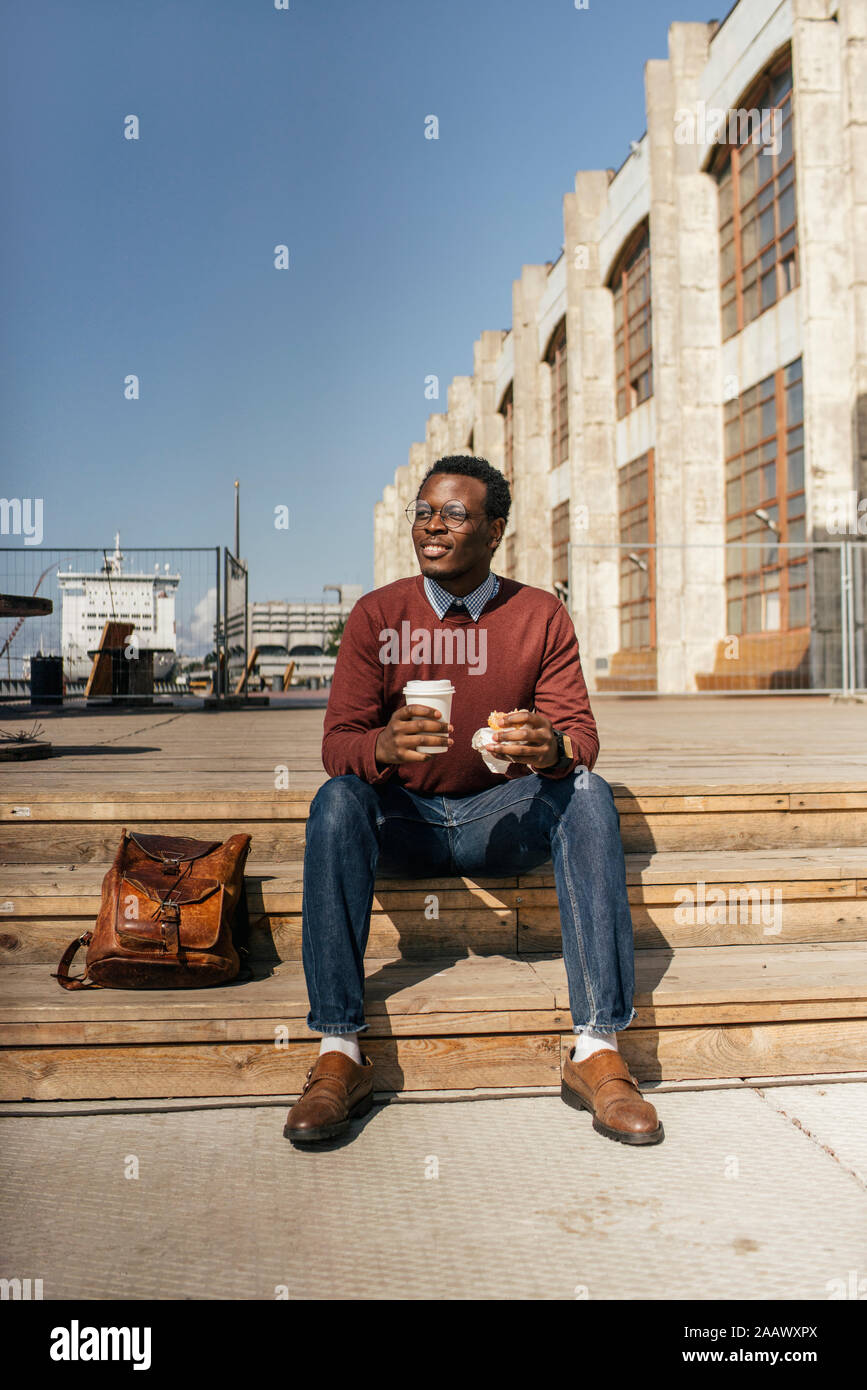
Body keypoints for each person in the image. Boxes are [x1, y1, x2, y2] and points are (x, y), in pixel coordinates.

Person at [284, 455, 663, 1147]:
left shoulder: (539, 614)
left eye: (453, 515)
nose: (432, 526)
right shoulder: (376, 615)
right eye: (424, 512)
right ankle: (339, 1051)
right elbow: (337, 744)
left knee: (586, 790)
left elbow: (580, 736)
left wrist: (550, 749)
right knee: (336, 798)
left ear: (493, 531)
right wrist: (380, 749)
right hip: (406, 820)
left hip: (502, 818)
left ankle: (597, 1049)